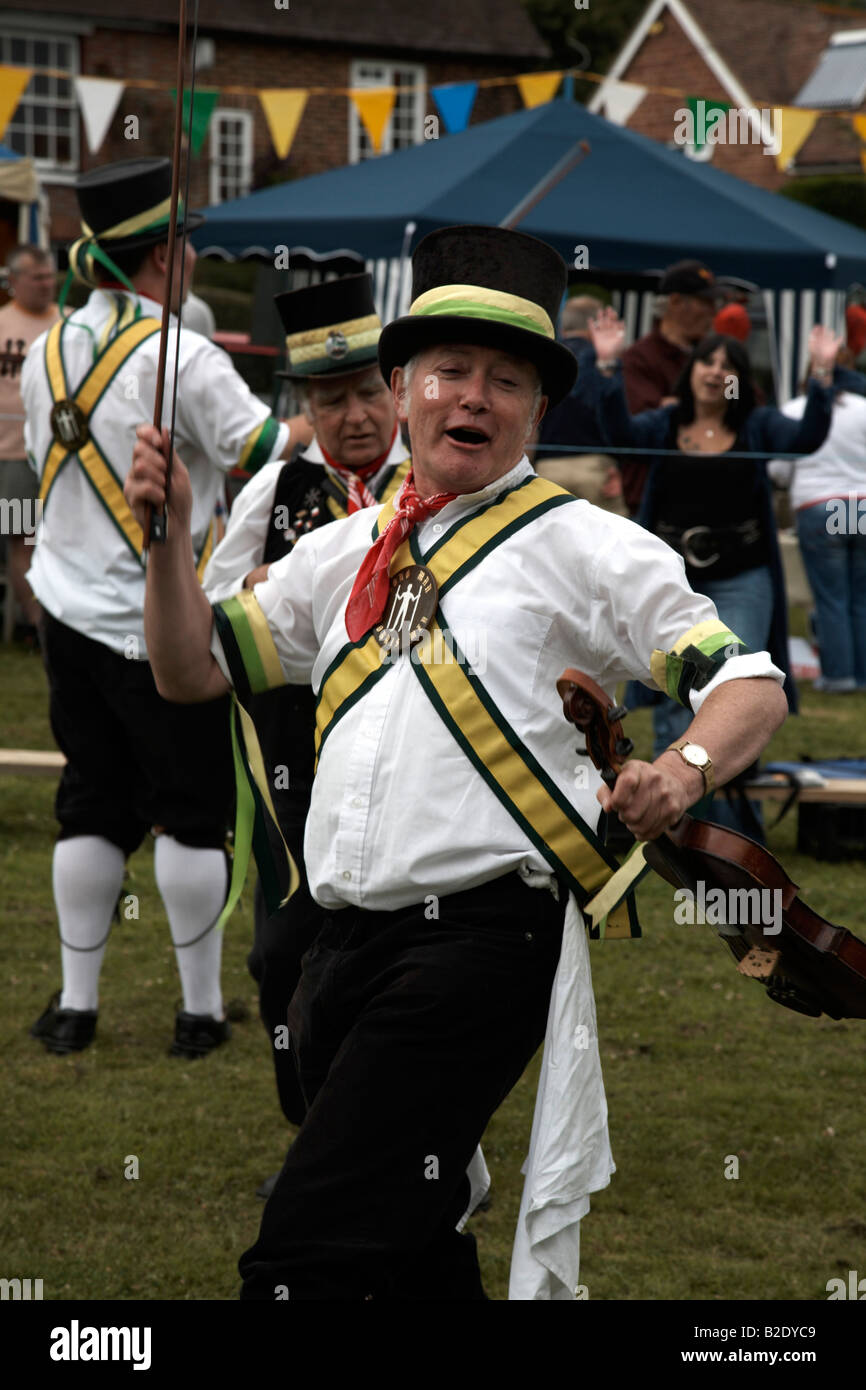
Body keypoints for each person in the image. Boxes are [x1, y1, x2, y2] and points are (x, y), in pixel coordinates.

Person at [125, 224, 787, 1301]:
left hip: (479, 946)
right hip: (336, 952)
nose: (473, 397)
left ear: (536, 409)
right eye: (449, 371)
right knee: (411, 1244)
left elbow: (749, 682)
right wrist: (167, 541)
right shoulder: (342, 551)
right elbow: (189, 667)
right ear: (402, 389)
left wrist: (679, 770)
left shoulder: (587, 545)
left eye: (505, 379)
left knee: (301, 1254)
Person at [21, 156, 302, 1059]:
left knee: (89, 805)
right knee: (191, 814)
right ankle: (198, 1013)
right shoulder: (186, 355)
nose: (188, 258)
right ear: (161, 258)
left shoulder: (46, 349)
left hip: (63, 613)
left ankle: (75, 1007)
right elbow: (262, 448)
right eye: (182, 243)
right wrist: (323, 417)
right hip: (165, 629)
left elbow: (38, 462)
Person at [202, 272, 412, 1132]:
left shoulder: (439, 484)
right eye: (332, 400)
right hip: (295, 759)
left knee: (402, 951)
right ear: (307, 408)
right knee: (280, 953)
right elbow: (212, 607)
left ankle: (409, 1135)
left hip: (410, 748)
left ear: (397, 391)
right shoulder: (277, 489)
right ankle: (313, 1127)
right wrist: (253, 586)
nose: (355, 416)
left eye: (368, 392)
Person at [587, 309, 838, 829]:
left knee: (730, 682)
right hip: (675, 580)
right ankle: (671, 815)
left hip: (742, 575)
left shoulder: (755, 424)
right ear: (692, 370)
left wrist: (821, 375)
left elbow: (809, 437)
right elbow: (617, 435)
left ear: (739, 381)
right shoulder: (665, 422)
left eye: (728, 364)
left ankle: (726, 820)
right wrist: (608, 365)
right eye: (707, 360)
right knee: (677, 689)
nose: (715, 370)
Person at [769, 389, 866, 692]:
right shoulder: (863, 407)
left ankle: (839, 676)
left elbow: (778, 467)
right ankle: (862, 674)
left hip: (818, 503)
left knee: (830, 598)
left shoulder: (796, 408)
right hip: (860, 502)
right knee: (861, 597)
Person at [620, 260, 720, 512]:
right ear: (675, 302)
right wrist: (710, 408)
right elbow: (646, 423)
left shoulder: (715, 356)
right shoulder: (639, 358)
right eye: (705, 303)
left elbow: (747, 398)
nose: (713, 312)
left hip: (709, 491)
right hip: (654, 498)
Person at [0, 245, 59, 640]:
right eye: (36, 277)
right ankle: (39, 628)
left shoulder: (70, 324)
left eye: (49, 276)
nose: (45, 284)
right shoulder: (2, 324)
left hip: (62, 459)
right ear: (14, 282)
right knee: (22, 536)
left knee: (57, 540)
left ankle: (58, 624)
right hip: (14, 456)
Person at [534, 293, 626, 513]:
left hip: (546, 469)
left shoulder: (545, 359)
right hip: (595, 468)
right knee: (605, 541)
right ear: (596, 325)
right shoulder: (604, 361)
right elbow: (619, 424)